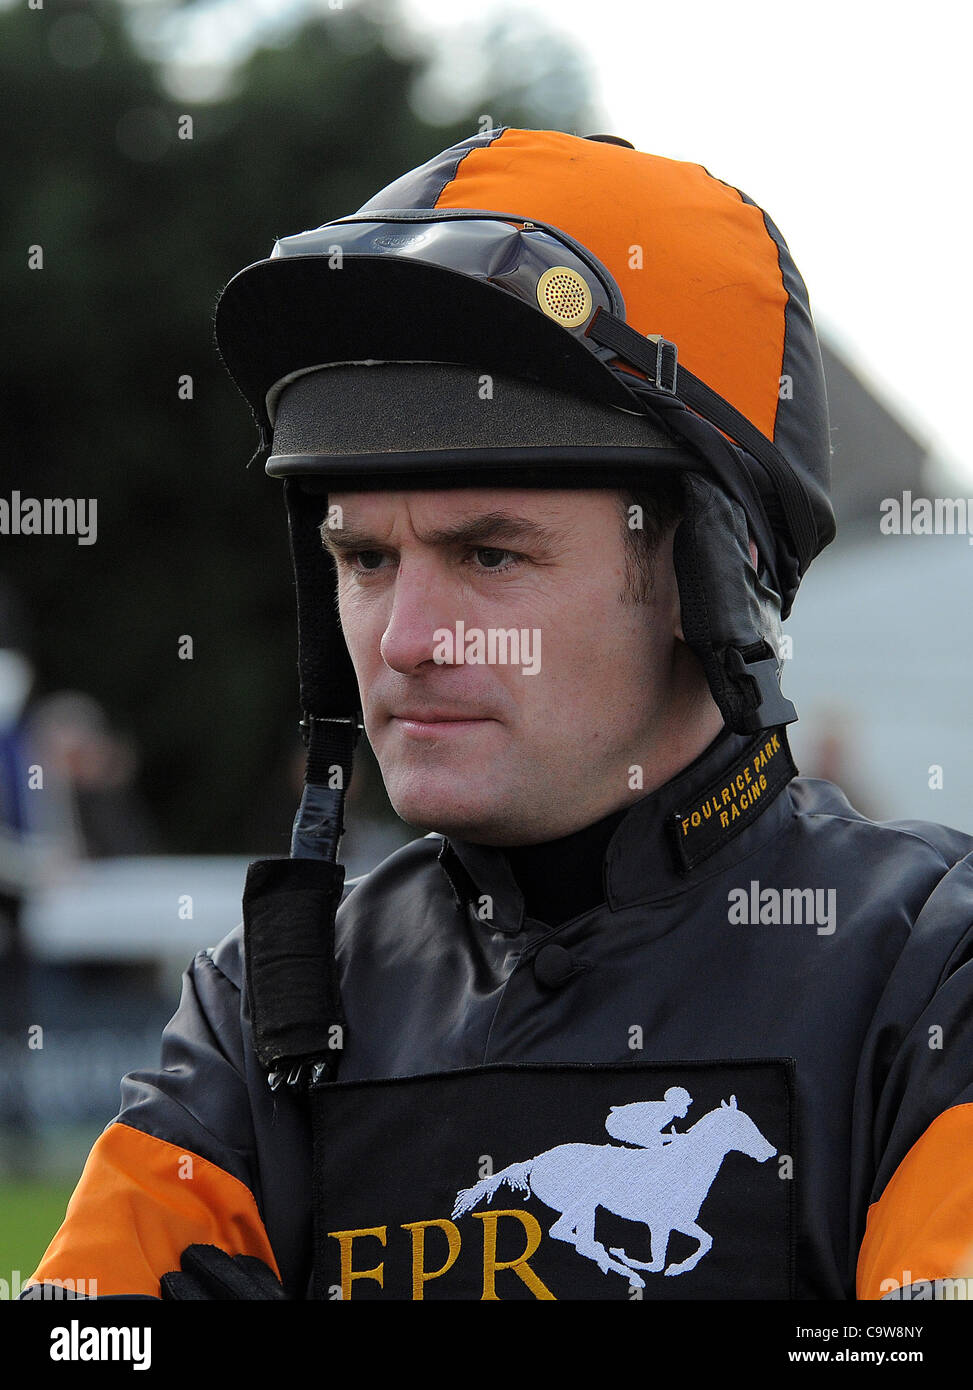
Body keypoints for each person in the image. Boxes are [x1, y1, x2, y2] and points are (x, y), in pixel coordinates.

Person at [25, 128, 973, 1303]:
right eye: (364, 558)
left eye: (488, 553)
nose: (409, 640)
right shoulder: (268, 1000)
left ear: (711, 579)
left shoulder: (935, 971)